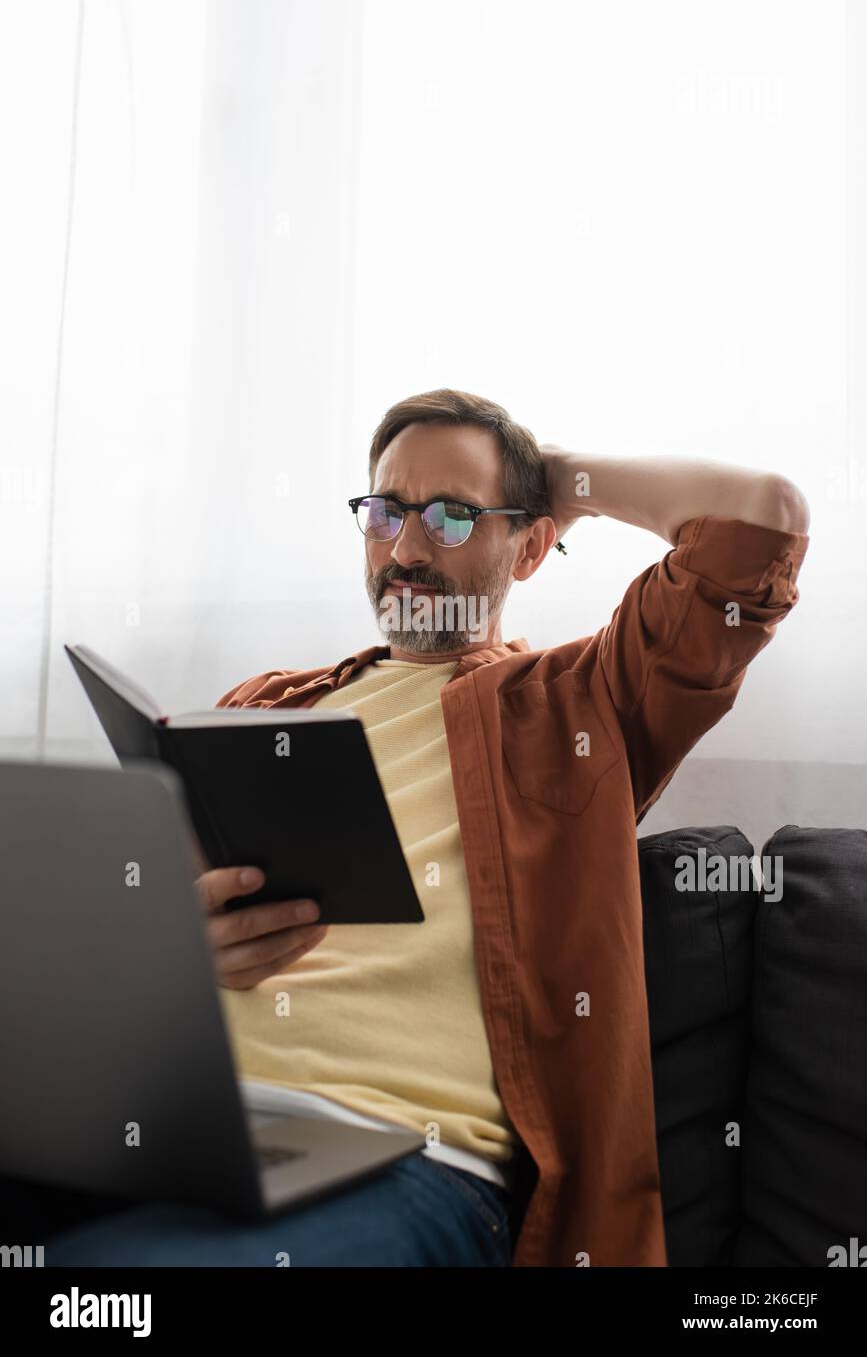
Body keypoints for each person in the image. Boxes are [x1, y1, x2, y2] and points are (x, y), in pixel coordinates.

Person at [35, 389, 810, 1266]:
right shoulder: (265, 706)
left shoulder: (582, 706)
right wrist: (176, 939)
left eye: (450, 517)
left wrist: (558, 478)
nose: (404, 548)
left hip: (398, 1158)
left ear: (529, 546)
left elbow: (760, 520)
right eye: (386, 511)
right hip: (168, 1122)